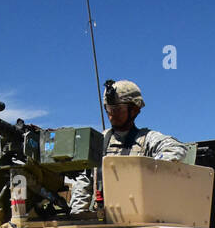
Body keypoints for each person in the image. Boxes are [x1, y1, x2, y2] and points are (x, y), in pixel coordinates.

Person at [68, 79, 187, 215]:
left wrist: (147, 169)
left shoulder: (146, 139)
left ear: (134, 109)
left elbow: (176, 148)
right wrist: (79, 215)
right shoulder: (99, 141)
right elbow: (85, 180)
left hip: (137, 218)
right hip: (102, 219)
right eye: (108, 109)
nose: (111, 115)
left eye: (117, 109)